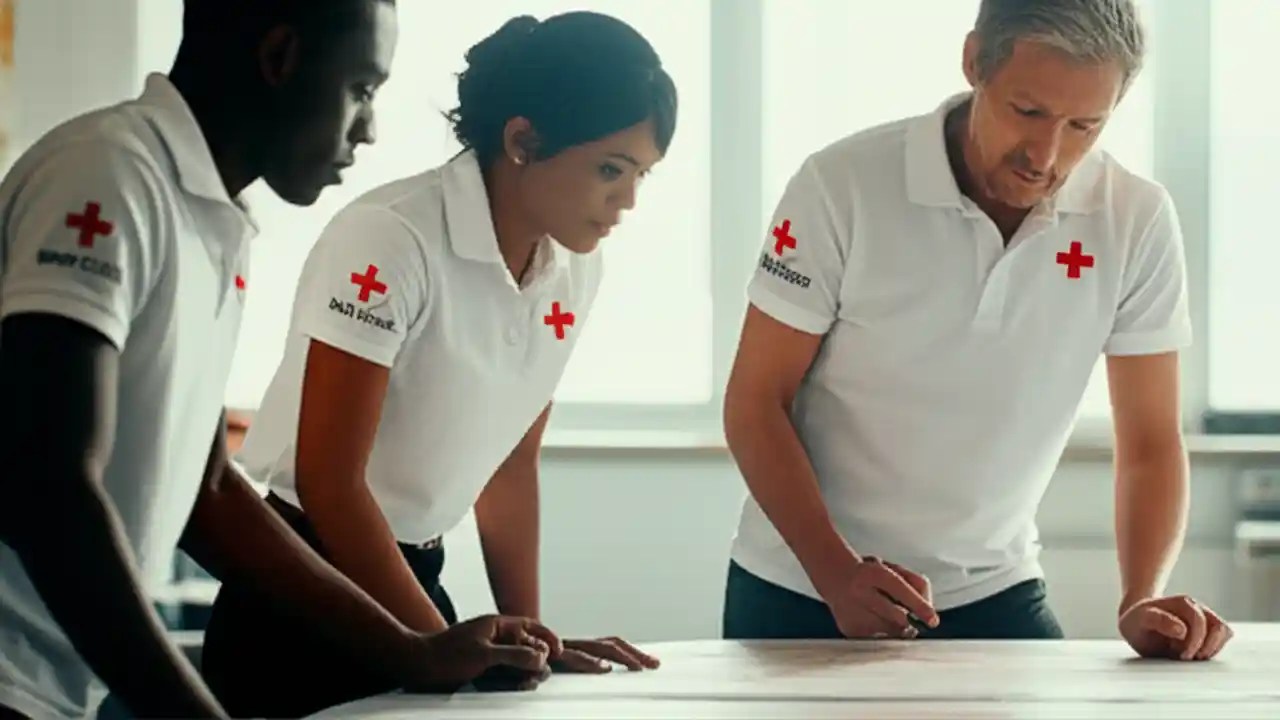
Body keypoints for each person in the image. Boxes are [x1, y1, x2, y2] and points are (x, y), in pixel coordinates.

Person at [0, 2, 561, 719]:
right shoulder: (108, 176)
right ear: (279, 57)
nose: (369, 129)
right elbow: (47, 486)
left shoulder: (211, 219)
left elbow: (211, 494)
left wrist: (412, 649)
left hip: (63, 686)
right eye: (361, 89)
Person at [722, 0, 1234, 661]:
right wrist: (834, 572)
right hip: (799, 584)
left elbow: (1150, 441)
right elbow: (756, 400)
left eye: (1085, 125)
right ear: (973, 62)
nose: (1046, 156)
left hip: (995, 590)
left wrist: (1140, 596)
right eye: (1029, 112)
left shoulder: (1135, 219)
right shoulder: (840, 185)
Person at [200, 10, 677, 718]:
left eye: (642, 174)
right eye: (610, 169)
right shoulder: (391, 238)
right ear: (522, 140)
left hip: (413, 575)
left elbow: (510, 470)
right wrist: (431, 642)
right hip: (302, 587)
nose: (628, 201)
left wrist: (532, 641)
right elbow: (330, 483)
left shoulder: (574, 267)